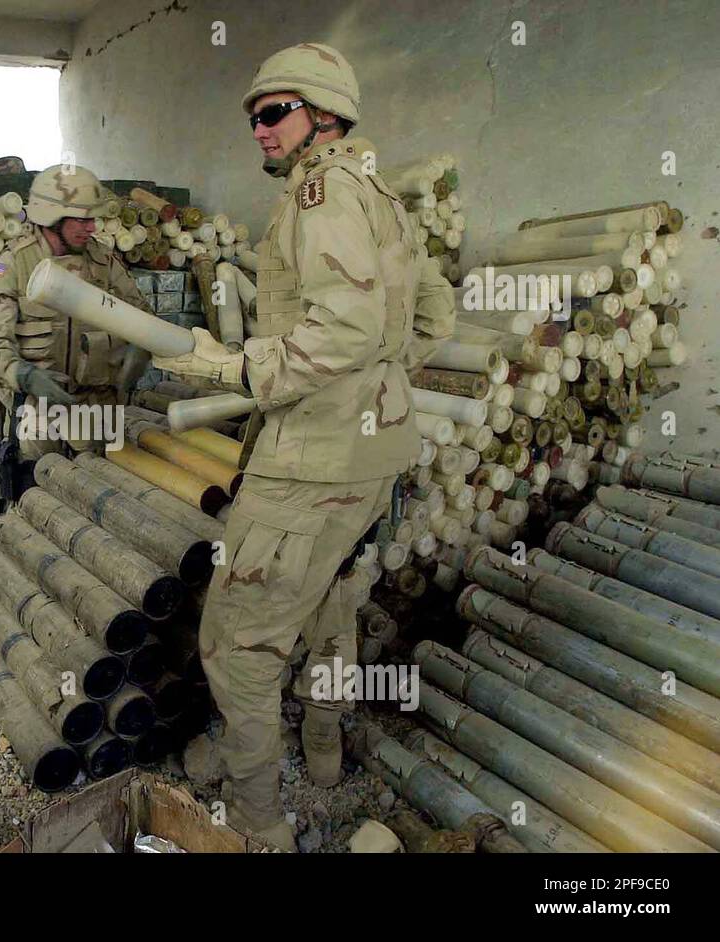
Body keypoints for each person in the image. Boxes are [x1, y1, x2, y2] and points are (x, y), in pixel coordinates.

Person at [153, 43, 455, 850]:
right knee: (330, 603)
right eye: (254, 115)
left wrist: (231, 366)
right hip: (374, 452)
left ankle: (258, 822)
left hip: (313, 457)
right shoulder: (381, 194)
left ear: (323, 114)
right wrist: (375, 387)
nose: (258, 128)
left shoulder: (320, 194)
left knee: (237, 643)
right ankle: (321, 754)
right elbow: (435, 317)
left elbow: (345, 328)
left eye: (273, 112)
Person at [0, 165, 152, 493]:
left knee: (103, 509)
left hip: (99, 411)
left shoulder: (103, 261)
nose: (91, 228)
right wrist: (25, 376)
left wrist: (138, 353)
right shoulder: (13, 263)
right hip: (38, 414)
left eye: (93, 219)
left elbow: (142, 316)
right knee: (38, 504)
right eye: (82, 219)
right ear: (51, 217)